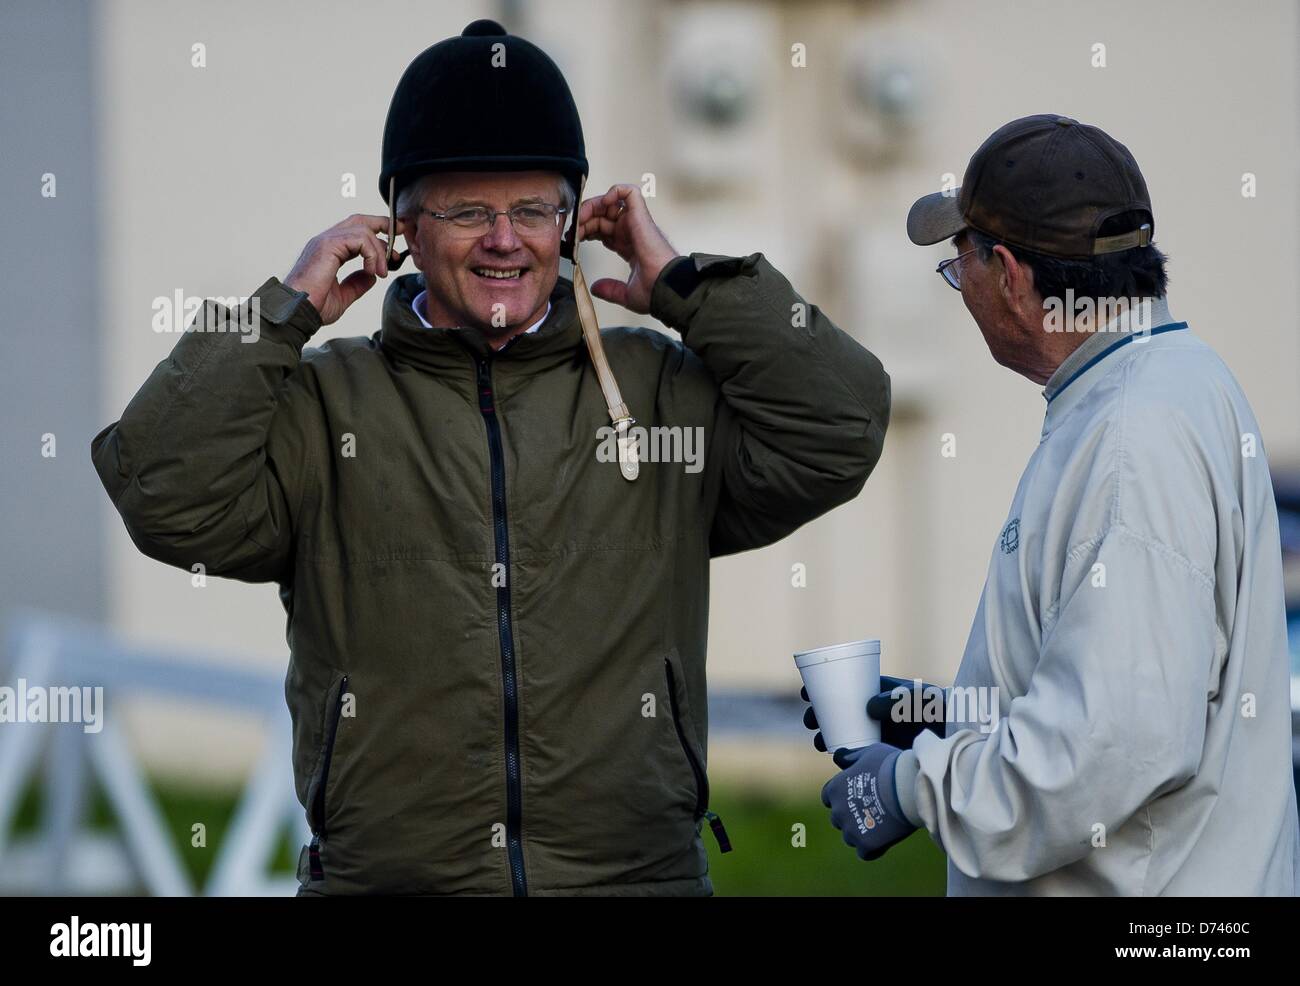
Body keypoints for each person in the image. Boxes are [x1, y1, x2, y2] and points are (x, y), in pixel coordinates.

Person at [90, 20, 891, 896]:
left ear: (571, 220)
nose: (505, 240)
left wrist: (689, 287)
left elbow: (840, 427)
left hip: (637, 882)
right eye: (468, 211)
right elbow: (160, 492)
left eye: (535, 209)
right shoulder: (324, 406)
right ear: (400, 227)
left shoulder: (659, 391)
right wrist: (284, 310)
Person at [808, 114, 1299, 895]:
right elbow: (1125, 686)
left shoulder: (1129, 441)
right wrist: (948, 714)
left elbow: (1110, 746)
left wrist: (909, 787)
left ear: (1008, 272)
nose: (958, 284)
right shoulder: (1172, 383)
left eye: (957, 262)